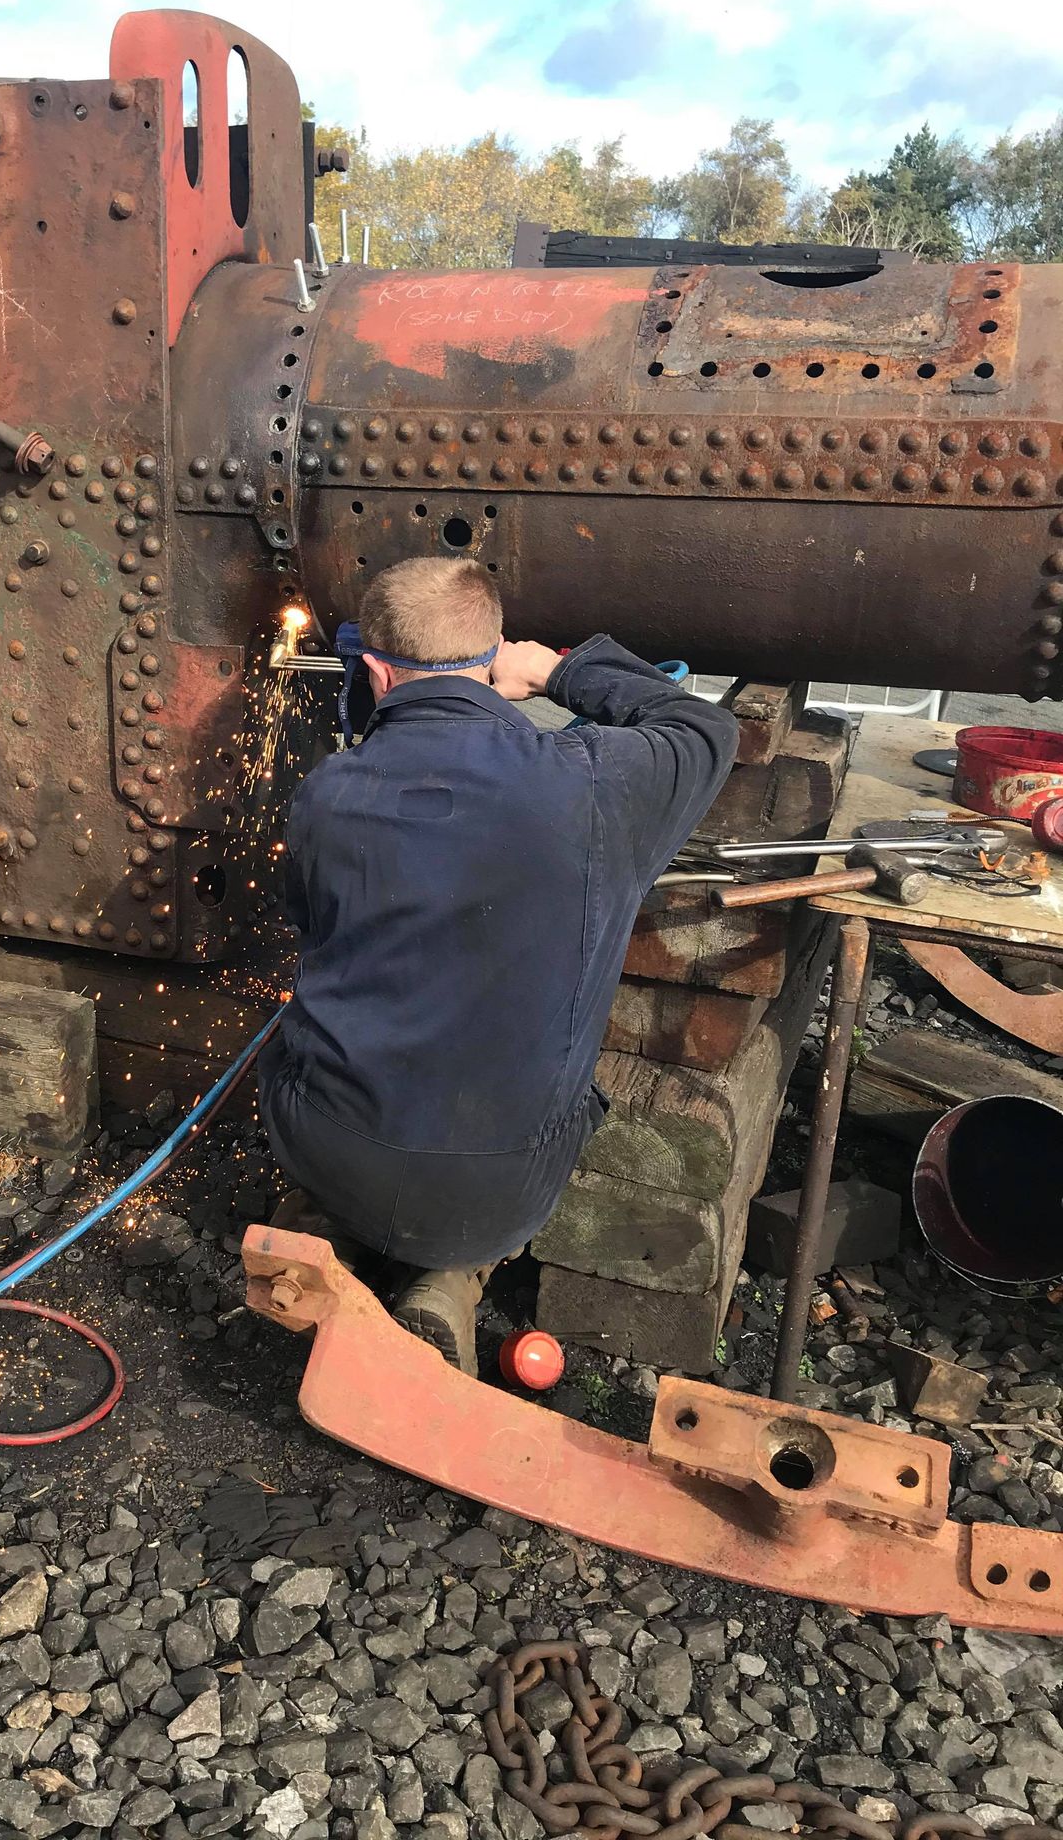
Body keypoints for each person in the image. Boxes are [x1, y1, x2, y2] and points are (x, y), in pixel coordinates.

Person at [258, 555, 739, 1374]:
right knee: (543, 1107)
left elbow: (307, 923)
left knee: (287, 1041)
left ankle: (331, 1226)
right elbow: (705, 729)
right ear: (493, 658)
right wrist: (561, 670)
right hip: (503, 1186)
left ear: (374, 671)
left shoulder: (327, 792)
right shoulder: (598, 788)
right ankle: (453, 1277)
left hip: (327, 1145)